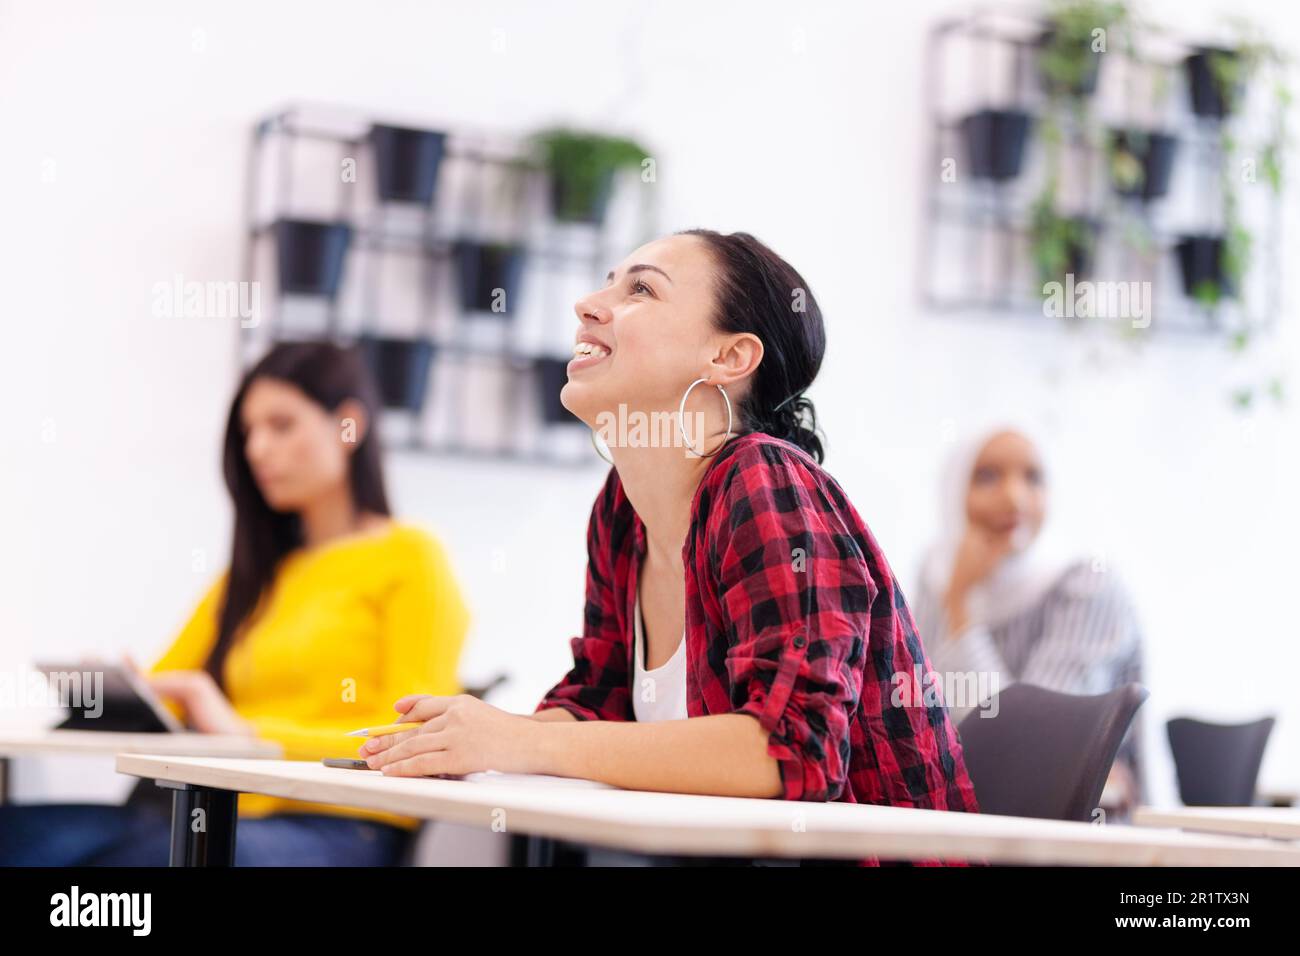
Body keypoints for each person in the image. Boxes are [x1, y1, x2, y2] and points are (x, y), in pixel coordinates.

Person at [360, 229, 980, 865]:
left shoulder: (764, 481)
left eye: (640, 289)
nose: (589, 304)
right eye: (607, 281)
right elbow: (597, 702)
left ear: (729, 357)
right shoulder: (622, 513)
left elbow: (795, 751)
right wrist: (454, 739)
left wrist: (521, 743)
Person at [0, 341, 470, 866]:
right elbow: (170, 691)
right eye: (249, 432)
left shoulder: (412, 560)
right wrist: (119, 691)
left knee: (145, 862)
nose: (257, 449)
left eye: (281, 425)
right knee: (20, 836)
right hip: (223, 808)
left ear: (349, 426)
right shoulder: (251, 575)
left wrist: (247, 734)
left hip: (341, 823)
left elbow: (416, 738)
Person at [910, 422, 1146, 811]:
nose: (1014, 498)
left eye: (1033, 478)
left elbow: (1033, 751)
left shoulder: (1086, 585)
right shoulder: (937, 578)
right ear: (954, 490)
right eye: (987, 476)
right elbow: (914, 731)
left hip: (1082, 837)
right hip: (966, 823)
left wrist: (961, 611)